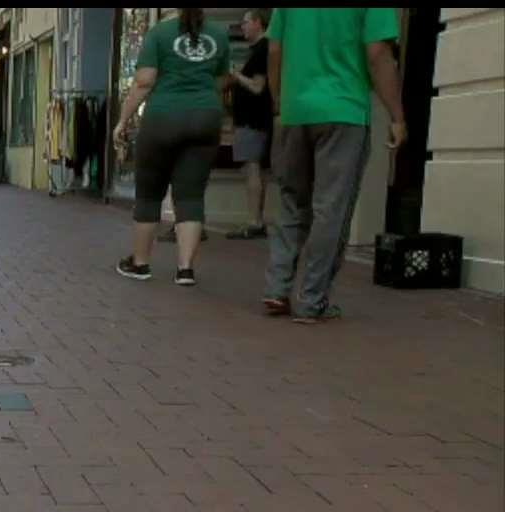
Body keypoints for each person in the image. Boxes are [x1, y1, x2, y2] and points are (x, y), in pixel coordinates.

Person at [262, 8, 405, 323]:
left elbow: (274, 49)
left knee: (290, 201)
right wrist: (396, 115)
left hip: (294, 110)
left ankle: (277, 288)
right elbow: (378, 53)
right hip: (344, 110)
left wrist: (279, 101)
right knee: (331, 209)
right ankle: (312, 300)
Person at [114, 8, 231, 286]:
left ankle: (140, 263)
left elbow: (143, 82)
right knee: (190, 196)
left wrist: (122, 120)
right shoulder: (219, 34)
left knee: (149, 193)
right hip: (205, 118)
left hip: (163, 118)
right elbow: (222, 80)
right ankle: (185, 269)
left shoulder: (159, 34)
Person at [227, 9, 275, 240]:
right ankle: (256, 219)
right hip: (254, 120)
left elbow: (257, 87)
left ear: (258, 23)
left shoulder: (262, 50)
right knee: (254, 169)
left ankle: (254, 221)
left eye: (245, 22)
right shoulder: (260, 49)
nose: (242, 27)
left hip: (253, 120)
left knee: (253, 168)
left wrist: (235, 75)